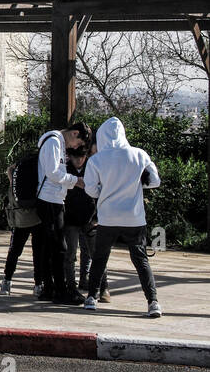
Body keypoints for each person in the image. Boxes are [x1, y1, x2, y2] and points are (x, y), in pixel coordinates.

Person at [82, 117, 161, 317]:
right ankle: (153, 302)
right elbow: (154, 181)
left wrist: (105, 190)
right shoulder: (139, 154)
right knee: (140, 260)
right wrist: (135, 185)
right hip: (134, 217)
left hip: (108, 217)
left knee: (100, 257)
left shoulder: (97, 159)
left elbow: (91, 190)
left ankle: (91, 298)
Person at [34, 121, 91, 304]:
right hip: (49, 198)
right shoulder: (54, 142)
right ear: (74, 133)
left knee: (51, 247)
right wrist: (76, 181)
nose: (76, 148)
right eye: (79, 143)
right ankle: (59, 290)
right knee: (59, 248)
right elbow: (53, 173)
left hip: (53, 198)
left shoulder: (55, 141)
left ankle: (49, 288)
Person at [63, 141, 110, 303]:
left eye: (81, 157)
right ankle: (71, 286)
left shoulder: (93, 166)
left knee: (96, 254)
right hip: (70, 218)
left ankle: (103, 287)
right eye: (75, 157)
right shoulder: (65, 168)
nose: (79, 160)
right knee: (70, 255)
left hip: (90, 216)